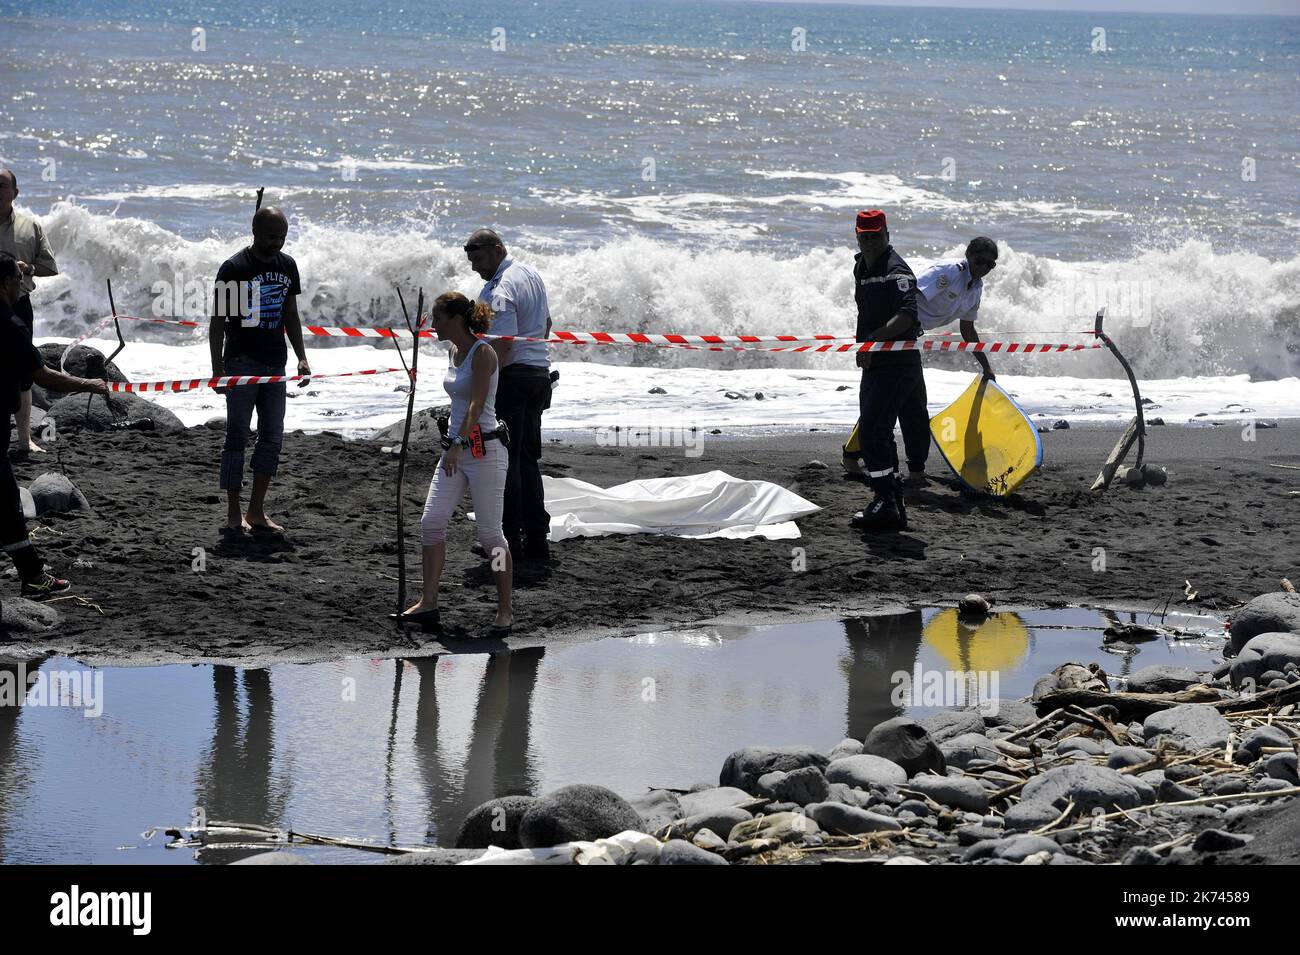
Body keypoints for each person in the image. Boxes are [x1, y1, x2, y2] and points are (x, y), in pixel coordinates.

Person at [393, 292, 513, 637]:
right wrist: (454, 444)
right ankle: (429, 601)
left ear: (457, 320)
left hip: (484, 452)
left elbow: (476, 405)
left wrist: (459, 443)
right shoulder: (452, 351)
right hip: (455, 451)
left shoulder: (483, 353)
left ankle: (505, 608)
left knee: (491, 536)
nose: (432, 325)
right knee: (431, 523)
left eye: (437, 318)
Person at [843, 236, 999, 483]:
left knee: (908, 403)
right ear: (969, 255)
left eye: (990, 265)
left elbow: (967, 330)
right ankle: (853, 454)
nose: (983, 268)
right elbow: (907, 296)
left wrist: (985, 366)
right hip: (892, 332)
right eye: (980, 261)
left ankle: (915, 469)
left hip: (909, 338)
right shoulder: (947, 272)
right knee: (889, 400)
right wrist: (875, 339)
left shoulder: (975, 288)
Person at [0, 253, 109, 597]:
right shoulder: (9, 324)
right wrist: (91, 385)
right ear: (5, 283)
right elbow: (45, 377)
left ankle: (31, 573)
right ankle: (32, 577)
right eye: (19, 280)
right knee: (6, 502)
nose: (23, 285)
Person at [208, 206, 310, 533]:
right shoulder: (234, 267)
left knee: (272, 438)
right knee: (236, 437)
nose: (277, 243)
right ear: (255, 231)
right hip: (241, 363)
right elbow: (217, 322)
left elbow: (290, 315)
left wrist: (302, 357)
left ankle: (256, 511)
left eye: (282, 237)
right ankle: (233, 514)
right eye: (271, 236)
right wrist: (217, 370)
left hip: (275, 364)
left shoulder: (287, 265)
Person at [465, 229, 553, 561]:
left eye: (478, 259)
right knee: (527, 459)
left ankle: (509, 539)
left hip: (514, 378)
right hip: (538, 373)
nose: (475, 267)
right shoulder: (530, 274)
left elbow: (502, 344)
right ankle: (536, 537)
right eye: (471, 261)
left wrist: (482, 386)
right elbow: (546, 325)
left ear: (497, 250)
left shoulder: (502, 288)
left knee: (506, 461)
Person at [846, 210, 921, 534]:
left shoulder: (897, 271)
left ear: (887, 234)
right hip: (876, 361)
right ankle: (890, 501)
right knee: (877, 430)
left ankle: (885, 501)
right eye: (865, 236)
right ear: (858, 236)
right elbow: (866, 313)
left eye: (876, 235)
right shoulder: (861, 267)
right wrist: (865, 348)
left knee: (874, 431)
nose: (870, 241)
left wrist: (874, 342)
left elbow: (907, 316)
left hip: (898, 362)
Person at [0, 168, 59, 457]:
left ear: (15, 192)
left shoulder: (29, 226)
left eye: (2, 186)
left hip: (18, 304)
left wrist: (29, 269)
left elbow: (51, 266)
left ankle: (25, 441)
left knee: (23, 373)